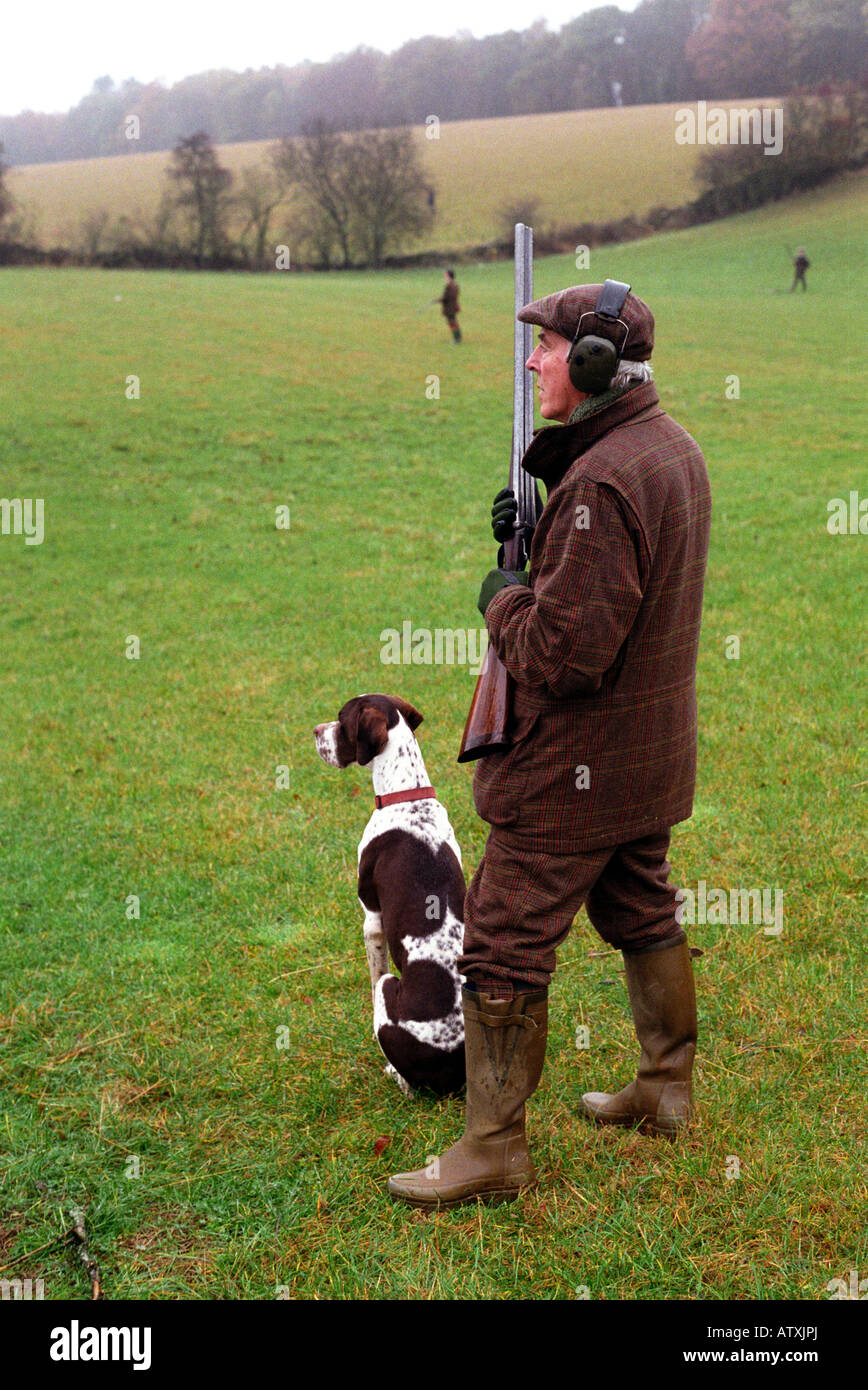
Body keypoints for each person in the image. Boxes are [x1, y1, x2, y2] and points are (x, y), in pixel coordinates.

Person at [389, 284, 712, 1208]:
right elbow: (609, 597)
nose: (532, 363)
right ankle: (667, 1087)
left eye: (548, 347)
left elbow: (562, 655)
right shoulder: (667, 449)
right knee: (639, 901)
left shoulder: (603, 485)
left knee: (501, 944)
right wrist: (538, 553)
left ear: (598, 365)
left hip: (574, 773)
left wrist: (502, 594)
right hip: (642, 761)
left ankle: (492, 1148)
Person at [439, 268, 461, 343]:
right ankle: (458, 337)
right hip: (453, 305)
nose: (444, 275)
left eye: (445, 274)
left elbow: (447, 296)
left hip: (450, 307)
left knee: (452, 322)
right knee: (454, 321)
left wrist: (440, 299)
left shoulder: (449, 285)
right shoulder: (455, 284)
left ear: (448, 275)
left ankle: (456, 338)